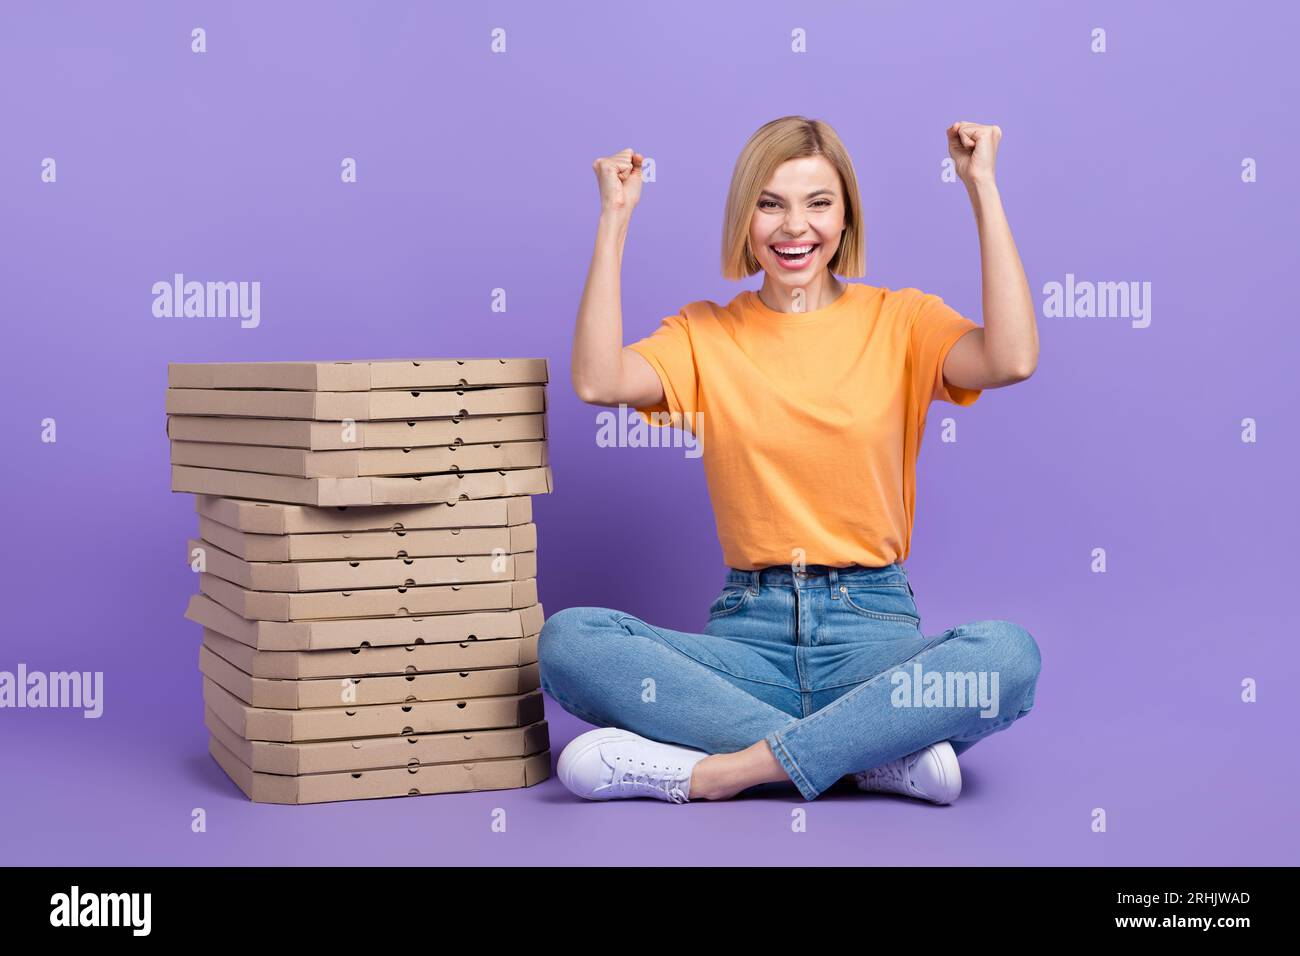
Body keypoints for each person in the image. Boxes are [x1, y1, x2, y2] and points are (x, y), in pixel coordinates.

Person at [540, 116, 1041, 805]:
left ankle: (723, 771)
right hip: (748, 640)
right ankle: (869, 756)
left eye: (817, 203)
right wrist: (614, 218)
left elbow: (1011, 358)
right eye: (770, 203)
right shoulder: (705, 333)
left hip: (872, 631)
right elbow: (597, 381)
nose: (793, 227)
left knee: (1007, 659)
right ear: (745, 219)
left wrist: (981, 185)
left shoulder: (901, 320)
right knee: (570, 643)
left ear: (845, 218)